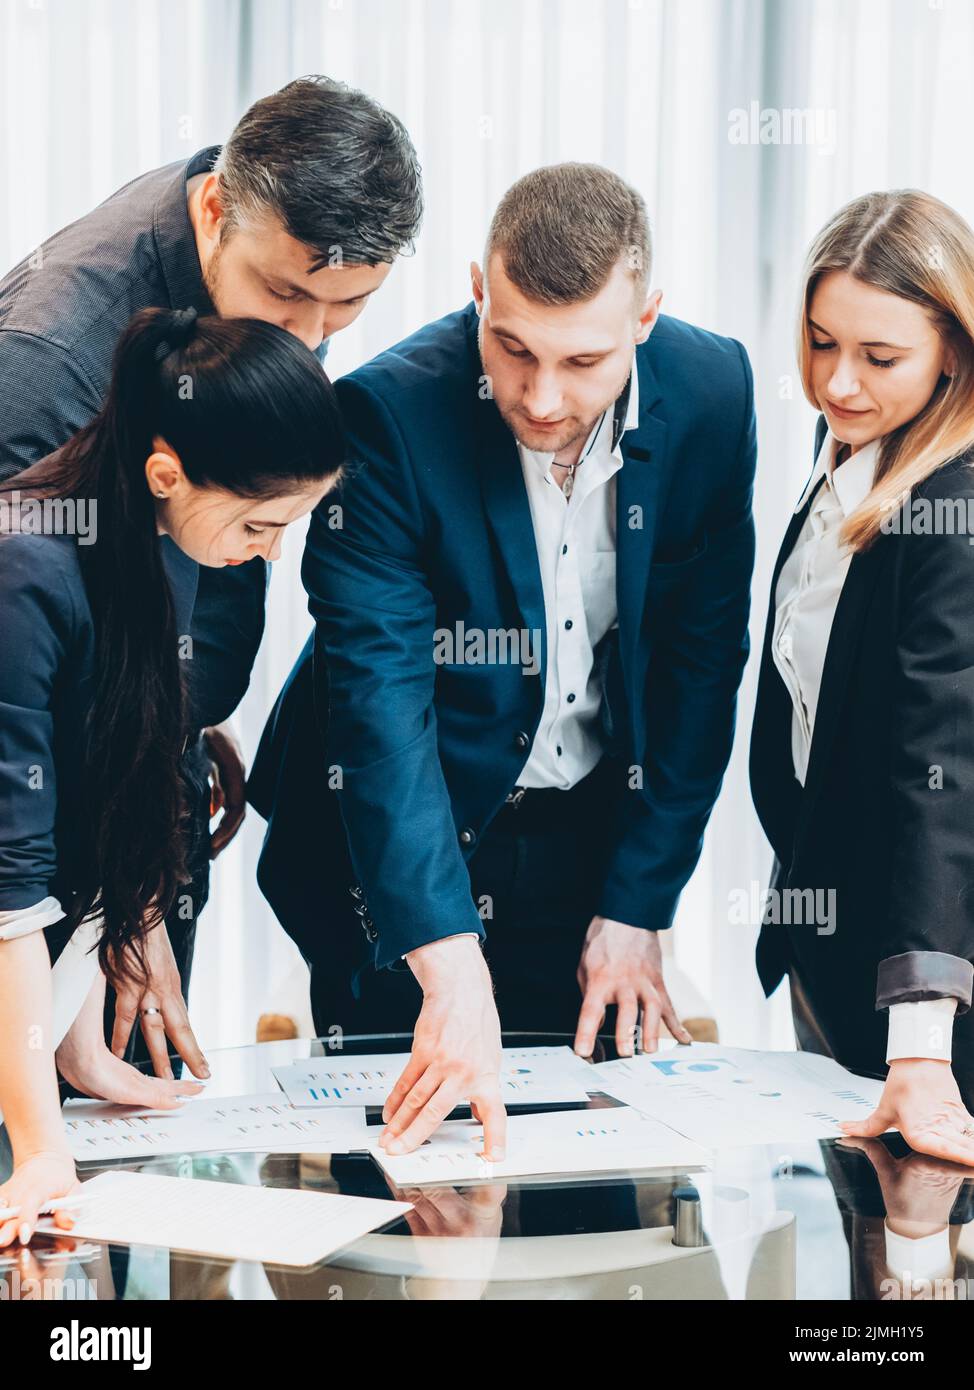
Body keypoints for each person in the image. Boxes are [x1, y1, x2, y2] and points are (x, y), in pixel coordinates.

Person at [251, 163, 756, 1157]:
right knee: (406, 1181)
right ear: (477, 288)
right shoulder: (385, 415)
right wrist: (446, 966)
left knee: (585, 1172)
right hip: (389, 845)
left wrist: (636, 902)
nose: (538, 395)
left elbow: (699, 665)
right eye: (512, 347)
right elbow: (378, 705)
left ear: (645, 318)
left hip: (585, 835)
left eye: (582, 361)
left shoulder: (712, 392)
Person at [0, 73, 422, 1067]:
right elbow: (26, 693)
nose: (307, 338)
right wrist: (110, 901)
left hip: (136, 807)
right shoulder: (53, 363)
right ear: (209, 211)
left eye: (347, 306)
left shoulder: (262, 275)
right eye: (284, 294)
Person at [0, 305, 345, 1246]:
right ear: (167, 473)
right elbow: (10, 894)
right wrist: (38, 1143)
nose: (271, 548)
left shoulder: (161, 534)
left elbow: (117, 779)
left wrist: (82, 1054)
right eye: (262, 522)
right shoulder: (24, 573)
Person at [749, 189, 974, 1164]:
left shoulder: (953, 507)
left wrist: (919, 1040)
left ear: (952, 353)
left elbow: (941, 768)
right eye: (817, 342)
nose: (836, 382)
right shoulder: (851, 444)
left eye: (878, 358)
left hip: (927, 996)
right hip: (834, 951)